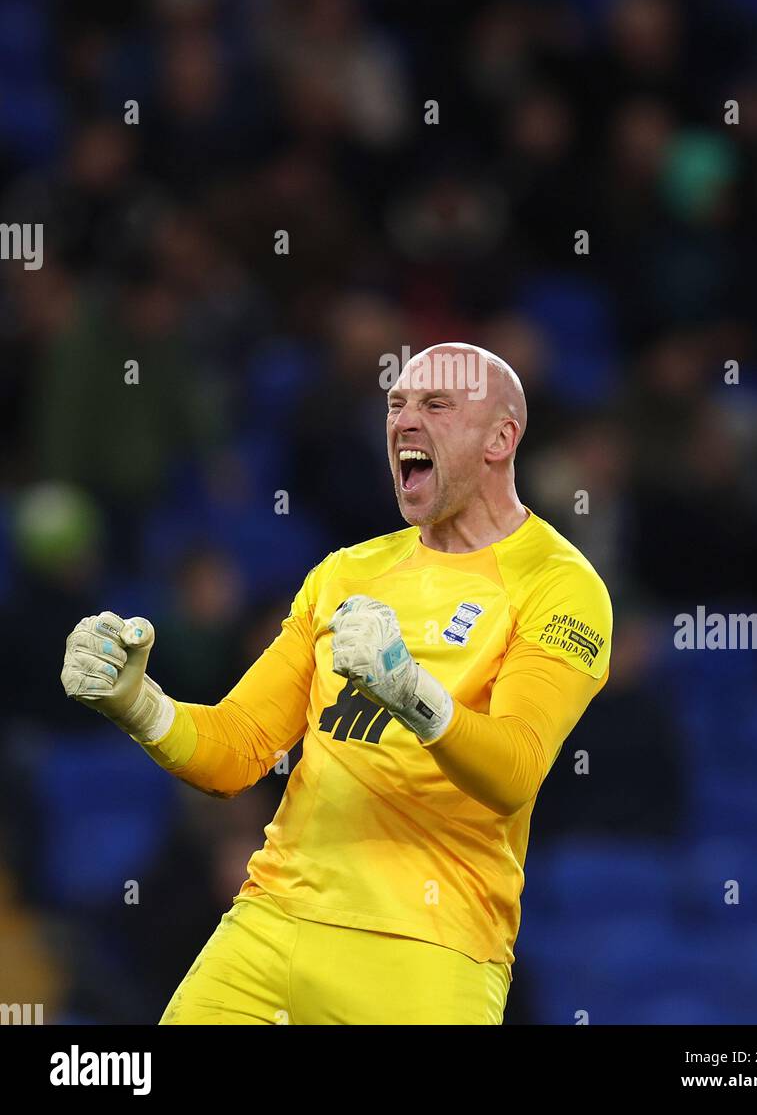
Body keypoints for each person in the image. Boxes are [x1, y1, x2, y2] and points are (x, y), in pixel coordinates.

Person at [61, 343, 613, 1025]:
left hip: (428, 951)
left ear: (502, 437)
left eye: (435, 405)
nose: (405, 421)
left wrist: (407, 689)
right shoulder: (344, 574)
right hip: (269, 925)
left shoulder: (559, 584)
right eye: (396, 405)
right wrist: (139, 705)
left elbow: (516, 769)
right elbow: (238, 749)